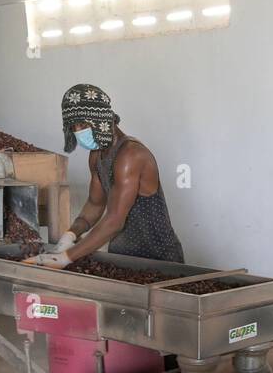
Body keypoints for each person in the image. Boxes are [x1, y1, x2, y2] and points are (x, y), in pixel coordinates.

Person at [26, 83, 185, 267]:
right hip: (122, 257)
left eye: (83, 124)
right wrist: (70, 235)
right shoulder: (97, 155)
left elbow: (114, 220)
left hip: (158, 259)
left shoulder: (131, 155)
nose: (78, 131)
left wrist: (67, 257)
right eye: (74, 126)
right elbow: (95, 204)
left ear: (100, 119)